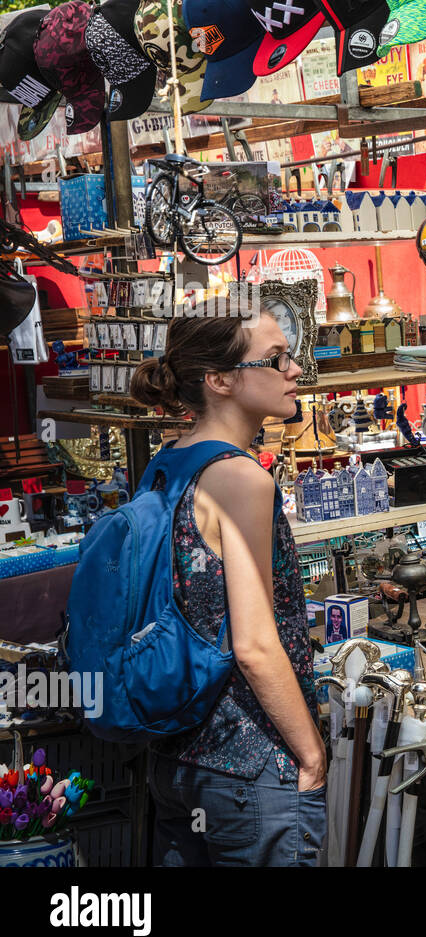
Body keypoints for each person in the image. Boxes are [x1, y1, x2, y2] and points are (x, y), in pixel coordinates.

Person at [130, 306, 324, 866]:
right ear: (219, 380)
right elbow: (255, 645)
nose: (295, 370)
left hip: (179, 755)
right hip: (251, 766)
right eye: (277, 359)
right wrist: (311, 756)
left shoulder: (169, 461)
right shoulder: (241, 478)